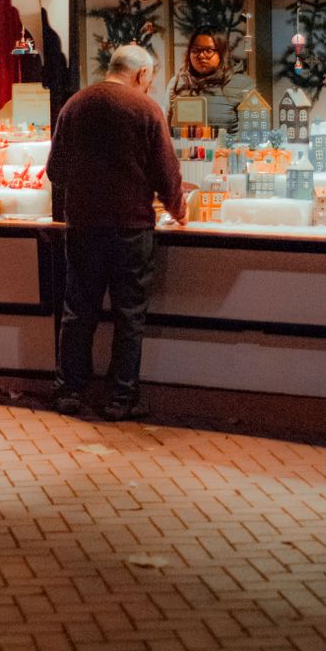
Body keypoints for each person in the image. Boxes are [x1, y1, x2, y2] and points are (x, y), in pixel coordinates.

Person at [47, 43, 187, 421]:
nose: (150, 87)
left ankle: (69, 392)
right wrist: (178, 209)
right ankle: (121, 399)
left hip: (82, 226)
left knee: (78, 311)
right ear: (141, 75)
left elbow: (55, 171)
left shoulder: (74, 105)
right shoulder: (145, 109)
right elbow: (167, 172)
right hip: (131, 228)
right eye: (150, 79)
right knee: (129, 315)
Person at [164, 29, 251, 134]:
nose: (201, 56)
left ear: (221, 52)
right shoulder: (176, 83)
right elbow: (165, 129)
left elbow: (250, 134)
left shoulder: (242, 85)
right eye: (195, 50)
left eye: (209, 51)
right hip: (184, 148)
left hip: (227, 149)